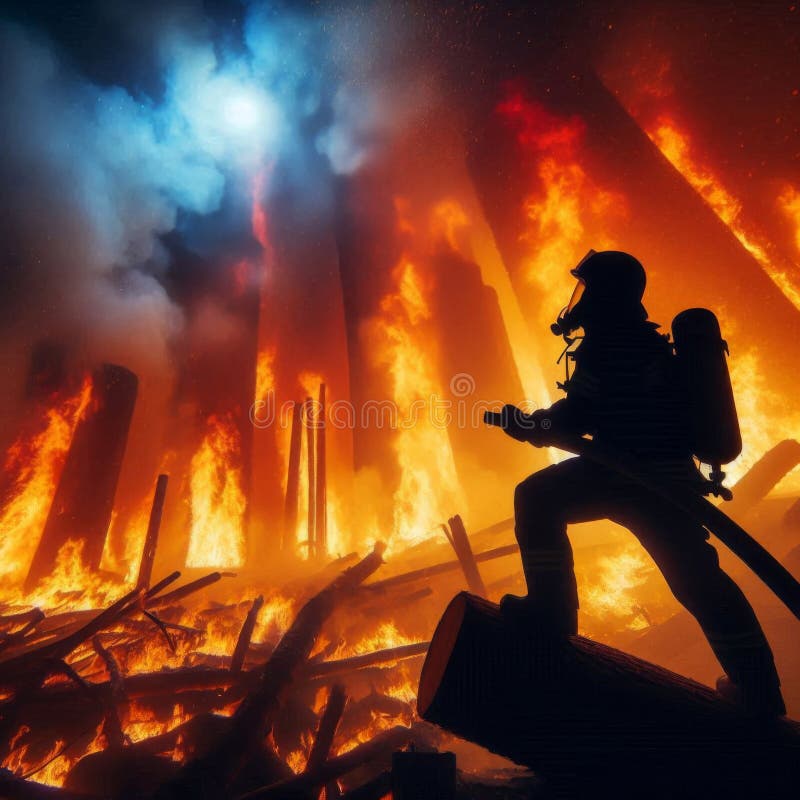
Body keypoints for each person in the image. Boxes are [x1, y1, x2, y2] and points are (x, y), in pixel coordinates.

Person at [498, 250, 785, 716]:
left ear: (606, 295)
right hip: (658, 481)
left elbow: (576, 417)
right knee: (699, 583)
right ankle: (760, 688)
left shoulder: (609, 346)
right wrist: (539, 426)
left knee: (536, 498)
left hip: (626, 477)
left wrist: (530, 426)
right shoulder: (644, 345)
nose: (579, 301)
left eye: (587, 290)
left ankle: (551, 613)